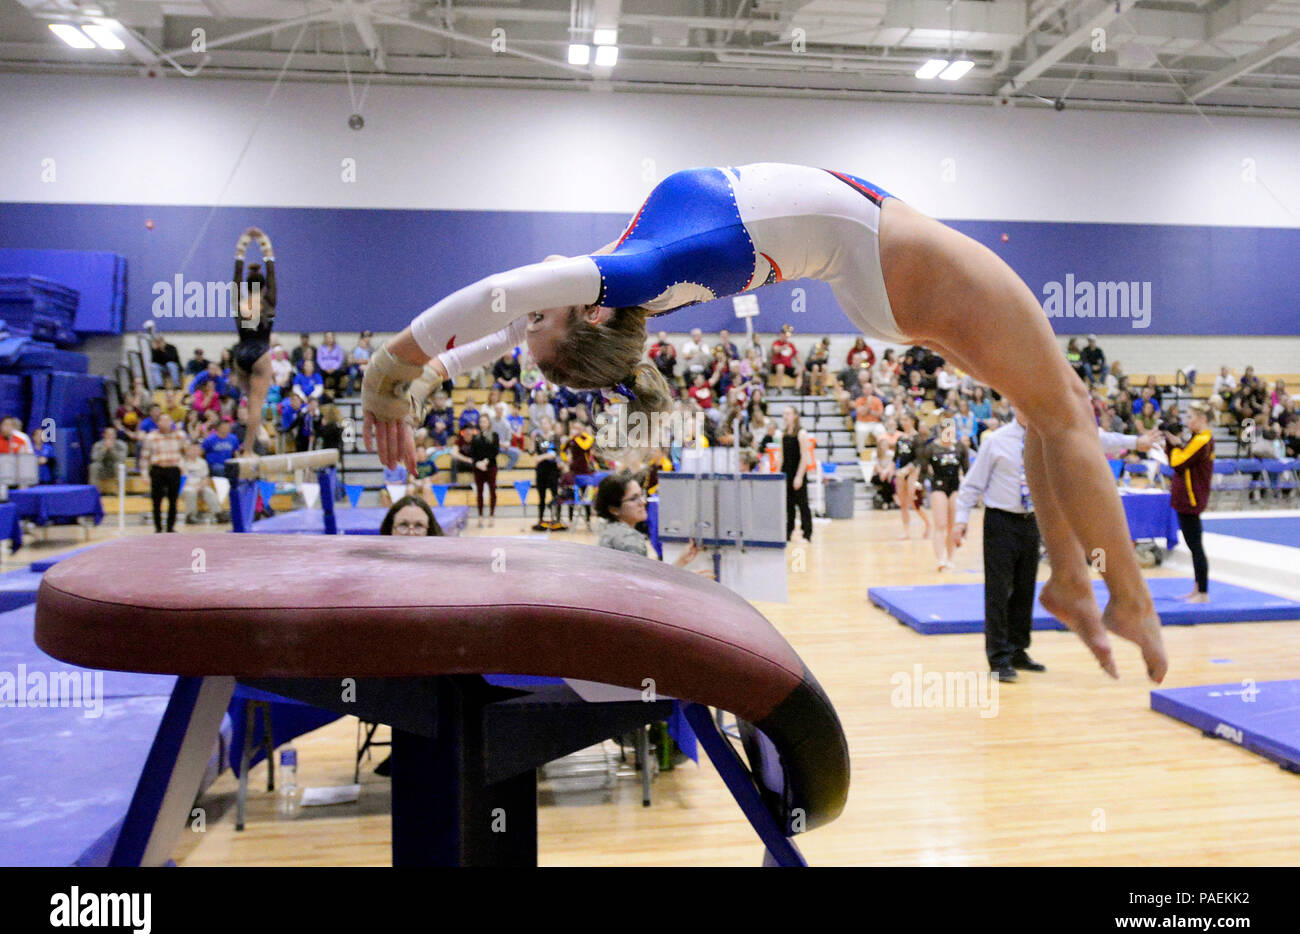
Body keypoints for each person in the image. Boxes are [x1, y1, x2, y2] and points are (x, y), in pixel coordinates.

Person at [363, 162, 1165, 682]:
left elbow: (507, 324)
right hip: (887, 256)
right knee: (1066, 411)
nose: (528, 316)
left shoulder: (622, 280)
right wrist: (387, 376)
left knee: (1045, 407)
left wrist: (435, 373)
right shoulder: (627, 272)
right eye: (542, 321)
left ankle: (1068, 576)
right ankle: (1127, 596)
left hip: (878, 270)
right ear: (587, 312)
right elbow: (497, 296)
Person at [952, 409, 1042, 683]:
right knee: (999, 590)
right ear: (1016, 408)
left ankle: (1018, 650)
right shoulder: (996, 440)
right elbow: (972, 483)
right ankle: (998, 657)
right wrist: (960, 520)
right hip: (1000, 521)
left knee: (1025, 589)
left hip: (1031, 521)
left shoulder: (1044, 441)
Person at [229, 227, 276, 456]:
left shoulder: (239, 300)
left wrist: (242, 249)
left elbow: (235, 279)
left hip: (240, 355)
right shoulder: (268, 302)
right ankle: (248, 449)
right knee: (256, 404)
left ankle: (254, 435)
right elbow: (272, 274)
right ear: (265, 286)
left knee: (249, 400)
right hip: (260, 354)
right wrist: (265, 246)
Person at [594, 472, 700, 569]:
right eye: (634, 498)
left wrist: (681, 562)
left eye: (641, 495)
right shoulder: (629, 539)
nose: (643, 502)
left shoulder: (611, 532)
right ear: (614, 509)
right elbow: (642, 587)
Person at [1164, 402, 1215, 603]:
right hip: (1185, 497)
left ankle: (1203, 592)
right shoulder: (1197, 438)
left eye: (1191, 417)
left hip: (1191, 498)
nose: (1187, 421)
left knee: (1195, 546)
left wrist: (1175, 444)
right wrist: (1174, 444)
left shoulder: (1203, 440)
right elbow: (1178, 460)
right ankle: (1197, 588)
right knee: (1193, 545)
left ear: (1202, 419)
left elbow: (1178, 462)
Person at [919, 421, 969, 570]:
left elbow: (967, 470)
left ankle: (950, 558)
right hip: (938, 485)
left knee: (952, 525)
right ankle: (940, 558)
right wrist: (921, 486)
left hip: (955, 486)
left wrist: (967, 486)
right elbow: (923, 470)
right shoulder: (931, 448)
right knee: (940, 523)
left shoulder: (960, 447)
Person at [139, 414, 184, 533]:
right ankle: (158, 527)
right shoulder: (151, 437)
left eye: (168, 420)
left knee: (173, 500)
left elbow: (184, 451)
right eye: (163, 421)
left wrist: (183, 466)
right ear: (158, 423)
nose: (166, 423)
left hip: (173, 469)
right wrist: (144, 474)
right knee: (156, 500)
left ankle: (170, 527)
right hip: (158, 469)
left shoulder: (179, 435)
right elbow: (144, 457)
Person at [777, 406, 813, 544]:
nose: (785, 416)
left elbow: (805, 457)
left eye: (788, 414)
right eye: (784, 414)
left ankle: (807, 533)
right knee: (788, 505)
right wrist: (779, 474)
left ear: (795, 416)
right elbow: (781, 456)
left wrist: (799, 476)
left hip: (798, 472)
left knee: (803, 504)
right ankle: (788, 532)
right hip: (787, 472)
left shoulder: (801, 433)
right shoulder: (782, 434)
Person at [892, 412, 930, 540]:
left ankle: (928, 524)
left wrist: (906, 470)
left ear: (912, 421)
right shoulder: (900, 438)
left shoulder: (917, 438)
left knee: (914, 502)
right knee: (903, 503)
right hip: (901, 472)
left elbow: (919, 459)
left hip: (913, 472)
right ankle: (906, 531)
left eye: (906, 419)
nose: (903, 422)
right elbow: (895, 457)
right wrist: (891, 469)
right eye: (901, 420)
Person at [469, 417, 499, 527]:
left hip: (491, 466)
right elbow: (472, 453)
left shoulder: (494, 435)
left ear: (489, 423)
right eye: (481, 421)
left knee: (492, 491)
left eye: (485, 421)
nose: (483, 423)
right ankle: (480, 516)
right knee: (480, 492)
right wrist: (477, 463)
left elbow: (495, 451)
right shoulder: (475, 436)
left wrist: (486, 461)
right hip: (478, 468)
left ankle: (491, 515)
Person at [180, 442, 220, 524]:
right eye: (192, 449)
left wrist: (200, 486)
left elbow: (205, 478)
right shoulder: (181, 462)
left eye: (196, 450)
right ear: (187, 450)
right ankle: (190, 516)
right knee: (191, 492)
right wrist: (194, 486)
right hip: (186, 486)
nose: (194, 452)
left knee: (209, 491)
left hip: (199, 486)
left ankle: (217, 513)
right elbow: (181, 480)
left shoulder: (202, 462)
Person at [90, 426, 128, 491]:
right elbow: (95, 459)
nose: (110, 436)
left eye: (112, 434)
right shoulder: (98, 445)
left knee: (119, 465)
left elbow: (122, 459)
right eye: (108, 434)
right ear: (103, 435)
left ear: (116, 435)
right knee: (94, 466)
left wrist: (112, 449)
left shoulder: (122, 445)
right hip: (103, 470)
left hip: (115, 470)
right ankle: (94, 491)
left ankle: (120, 491)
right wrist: (104, 450)